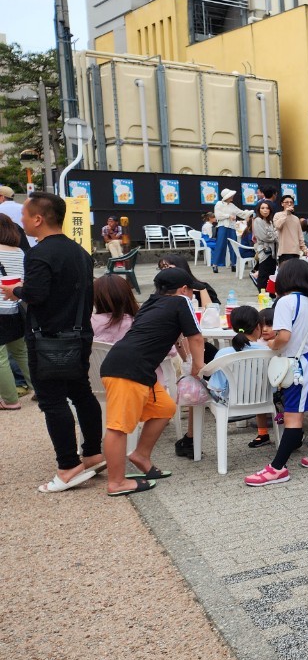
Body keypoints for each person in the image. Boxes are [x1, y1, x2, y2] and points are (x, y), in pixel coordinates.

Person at [0, 192, 104, 492]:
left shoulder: (40, 253)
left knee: (51, 399)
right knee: (81, 393)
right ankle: (93, 453)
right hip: (80, 333)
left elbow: (37, 294)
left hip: (49, 338)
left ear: (38, 218)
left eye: (24, 216)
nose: (21, 222)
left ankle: (69, 465)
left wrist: (16, 292)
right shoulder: (80, 252)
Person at [99, 267, 205, 497]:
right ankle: (116, 482)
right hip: (128, 370)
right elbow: (195, 337)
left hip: (134, 368)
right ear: (184, 289)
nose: (193, 297)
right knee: (118, 428)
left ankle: (141, 456)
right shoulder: (180, 302)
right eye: (192, 292)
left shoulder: (151, 302)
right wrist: (199, 366)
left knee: (165, 408)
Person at [245, 258, 308, 486]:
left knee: (293, 415)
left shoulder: (285, 302)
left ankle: (277, 468)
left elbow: (283, 337)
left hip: (298, 363)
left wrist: (271, 346)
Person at [206, 305, 274, 449]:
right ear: (258, 327)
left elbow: (216, 386)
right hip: (265, 399)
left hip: (232, 402)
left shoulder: (224, 354)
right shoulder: (270, 352)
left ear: (233, 327)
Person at [0, 214, 29, 409]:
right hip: (16, 308)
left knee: (0, 357)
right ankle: (39, 388)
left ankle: (10, 400)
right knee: (21, 352)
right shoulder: (20, 253)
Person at [212, 189, 251, 273]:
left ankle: (234, 264)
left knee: (233, 245)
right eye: (230, 195)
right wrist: (228, 216)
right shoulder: (219, 204)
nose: (232, 197)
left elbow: (241, 213)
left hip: (232, 227)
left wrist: (249, 212)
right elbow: (218, 216)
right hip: (222, 226)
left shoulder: (232, 205)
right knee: (220, 245)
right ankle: (215, 264)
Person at [251, 199, 278, 289]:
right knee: (264, 274)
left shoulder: (270, 221)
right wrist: (274, 237)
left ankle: (269, 293)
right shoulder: (258, 220)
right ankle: (262, 294)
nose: (265, 210)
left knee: (271, 274)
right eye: (262, 208)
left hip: (273, 252)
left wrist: (274, 236)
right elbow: (264, 237)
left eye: (267, 208)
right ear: (259, 210)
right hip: (264, 251)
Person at [273, 193, 306, 263]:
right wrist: (286, 213)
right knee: (284, 272)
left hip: (295, 251)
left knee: (295, 272)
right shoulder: (278, 215)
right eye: (287, 202)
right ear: (282, 204)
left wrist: (303, 247)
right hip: (284, 250)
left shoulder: (296, 218)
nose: (289, 204)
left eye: (291, 202)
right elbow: (278, 226)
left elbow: (300, 234)